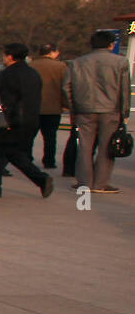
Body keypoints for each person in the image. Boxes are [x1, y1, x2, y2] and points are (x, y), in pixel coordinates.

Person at [64, 30, 131, 193]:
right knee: (106, 146)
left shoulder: (76, 62)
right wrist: (125, 112)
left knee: (85, 147)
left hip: (84, 110)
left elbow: (66, 88)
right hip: (111, 110)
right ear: (111, 44)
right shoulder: (120, 62)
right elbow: (124, 90)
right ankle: (101, 183)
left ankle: (84, 182)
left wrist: (74, 107)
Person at [0, 42, 53, 199]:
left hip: (11, 121)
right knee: (13, 153)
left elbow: (2, 100)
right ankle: (40, 179)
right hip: (31, 120)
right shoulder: (33, 74)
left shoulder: (6, 75)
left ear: (9, 56)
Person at [33, 42, 67, 169]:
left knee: (29, 136)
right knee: (50, 137)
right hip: (53, 108)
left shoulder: (32, 65)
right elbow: (65, 87)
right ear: (52, 52)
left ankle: (26, 158)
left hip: (34, 107)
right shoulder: (61, 66)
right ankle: (49, 161)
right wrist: (66, 104)